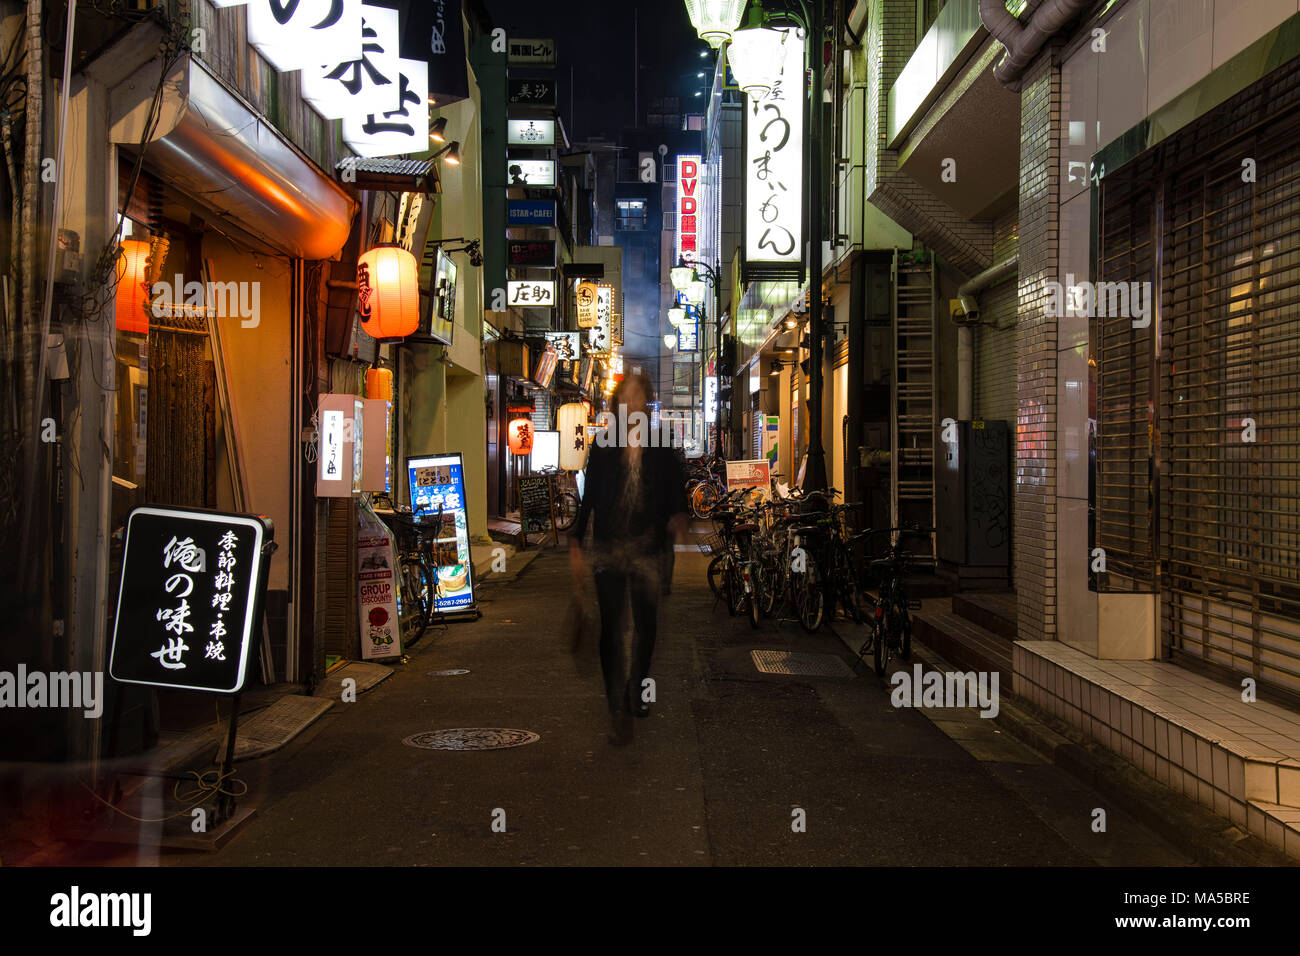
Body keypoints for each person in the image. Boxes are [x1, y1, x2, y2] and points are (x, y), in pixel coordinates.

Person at [569, 372, 688, 745]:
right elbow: (589, 497)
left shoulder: (661, 442)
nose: (633, 403)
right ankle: (615, 701)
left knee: (647, 626)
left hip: (648, 547)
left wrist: (677, 517)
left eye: (639, 397)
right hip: (608, 547)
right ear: (617, 405)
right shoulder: (604, 444)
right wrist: (575, 539)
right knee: (611, 627)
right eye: (626, 398)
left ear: (646, 404)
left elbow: (676, 489)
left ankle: (638, 689)